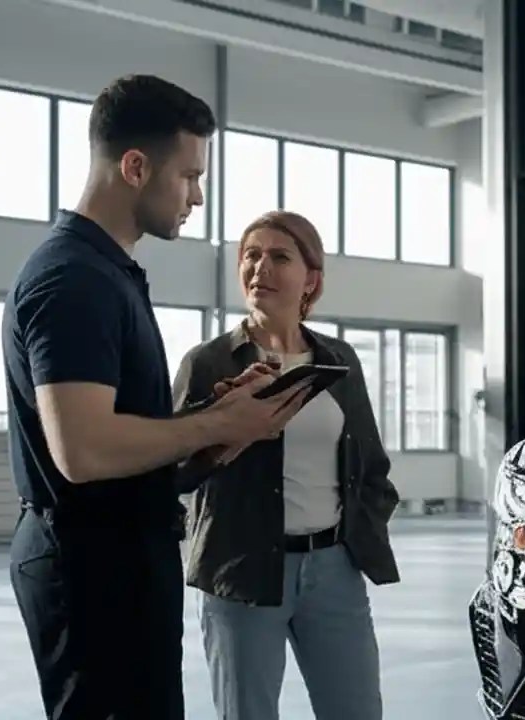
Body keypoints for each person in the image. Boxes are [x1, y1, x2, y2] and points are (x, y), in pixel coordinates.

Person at [2, 75, 311, 720]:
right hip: (89, 568)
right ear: (136, 167)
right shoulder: (73, 282)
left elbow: (126, 438)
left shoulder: (111, 273)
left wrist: (218, 429)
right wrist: (212, 423)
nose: (198, 197)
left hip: (122, 554)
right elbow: (83, 450)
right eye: (190, 177)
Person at [172, 210, 401, 720]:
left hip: (335, 570)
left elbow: (370, 464)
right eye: (250, 256)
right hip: (243, 572)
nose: (260, 268)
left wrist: (357, 540)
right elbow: (173, 471)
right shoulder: (209, 363)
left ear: (311, 279)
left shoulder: (339, 360)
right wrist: (221, 424)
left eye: (279, 256)